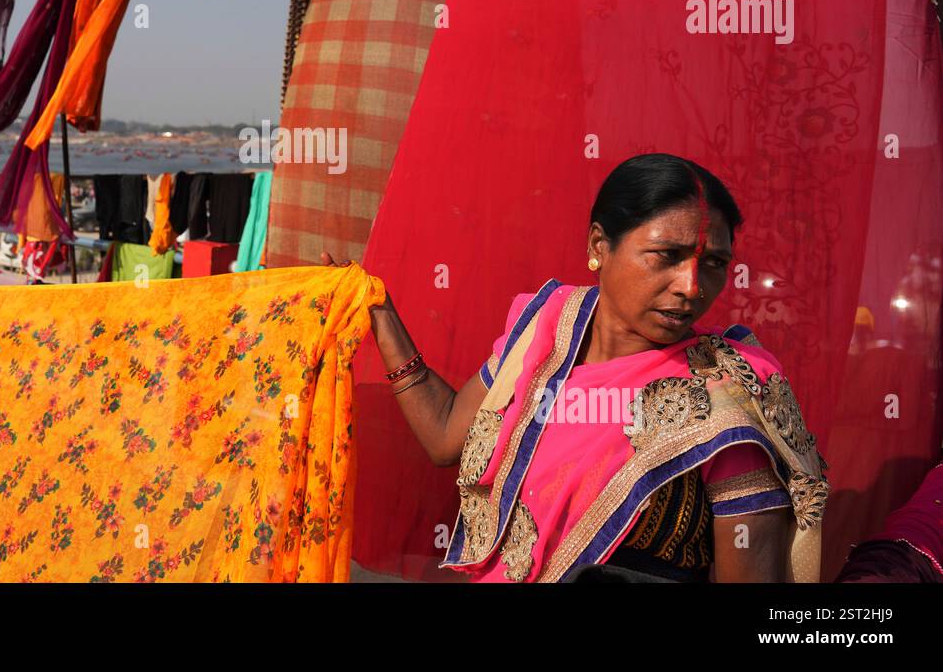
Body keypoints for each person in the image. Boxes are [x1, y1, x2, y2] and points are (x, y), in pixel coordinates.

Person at [333, 153, 828, 583]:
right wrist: (381, 316)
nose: (691, 286)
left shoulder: (727, 391)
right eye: (667, 256)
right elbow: (445, 437)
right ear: (598, 245)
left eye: (714, 262)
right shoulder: (546, 332)